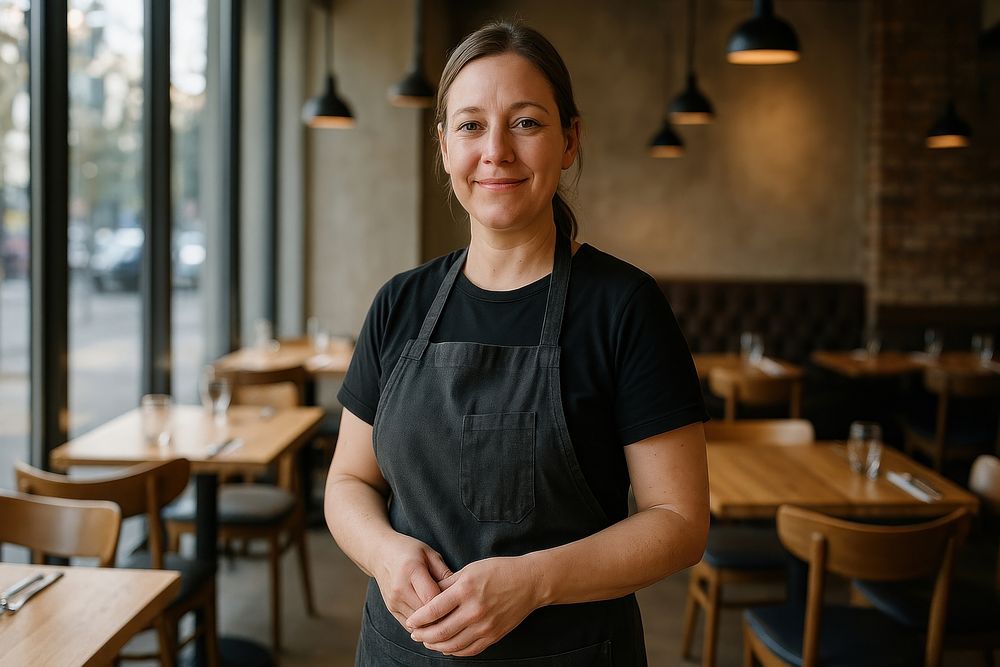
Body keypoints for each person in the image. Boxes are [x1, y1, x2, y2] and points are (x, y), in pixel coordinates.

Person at [325, 20, 710, 666]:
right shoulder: (400, 304)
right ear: (444, 145)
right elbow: (347, 479)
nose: (496, 151)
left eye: (526, 123)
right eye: (471, 125)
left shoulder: (624, 307)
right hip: (402, 652)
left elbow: (679, 521)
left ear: (569, 140)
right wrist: (383, 553)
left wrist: (532, 581)